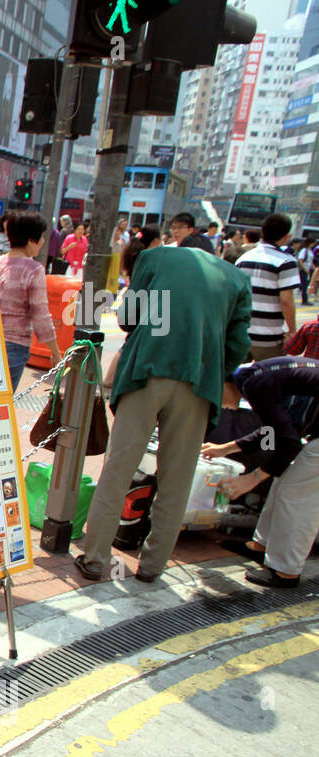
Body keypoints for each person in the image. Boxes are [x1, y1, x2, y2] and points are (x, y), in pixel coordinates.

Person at [75, 243, 252, 584]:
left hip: (147, 371)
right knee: (177, 477)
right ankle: (153, 566)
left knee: (119, 468)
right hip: (199, 384)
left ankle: (96, 558)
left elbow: (128, 319)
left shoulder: (154, 258)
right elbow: (238, 345)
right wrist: (214, 368)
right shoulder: (237, 279)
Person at [201, 356, 319, 587]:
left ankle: (286, 571)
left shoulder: (256, 385)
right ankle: (260, 546)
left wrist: (251, 479)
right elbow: (277, 430)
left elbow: (288, 442)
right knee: (282, 481)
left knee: (296, 497)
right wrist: (226, 448)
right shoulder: (254, 376)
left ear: (223, 385)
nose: (220, 406)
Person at [0, 212, 62, 391]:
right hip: (14, 346)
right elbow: (41, 315)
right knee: (5, 402)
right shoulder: (33, 270)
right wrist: (55, 352)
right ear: (31, 240)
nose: (42, 242)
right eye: (40, 237)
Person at [236, 213, 300, 361]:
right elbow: (286, 300)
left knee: (235, 380)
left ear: (262, 233)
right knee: (268, 381)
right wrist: (292, 331)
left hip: (241, 333)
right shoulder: (286, 262)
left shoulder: (243, 258)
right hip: (269, 337)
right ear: (286, 237)